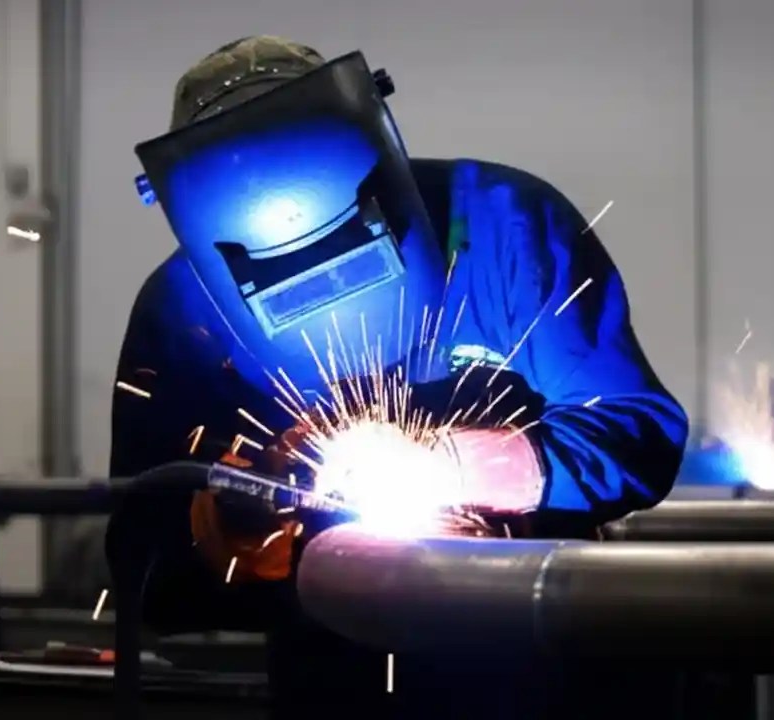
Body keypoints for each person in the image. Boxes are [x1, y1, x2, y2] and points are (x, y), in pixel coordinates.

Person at [105, 36, 689, 717]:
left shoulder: (503, 226)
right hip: (339, 678)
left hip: (546, 663)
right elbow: (142, 565)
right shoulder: (183, 312)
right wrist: (230, 524)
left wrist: (452, 467)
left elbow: (638, 435)